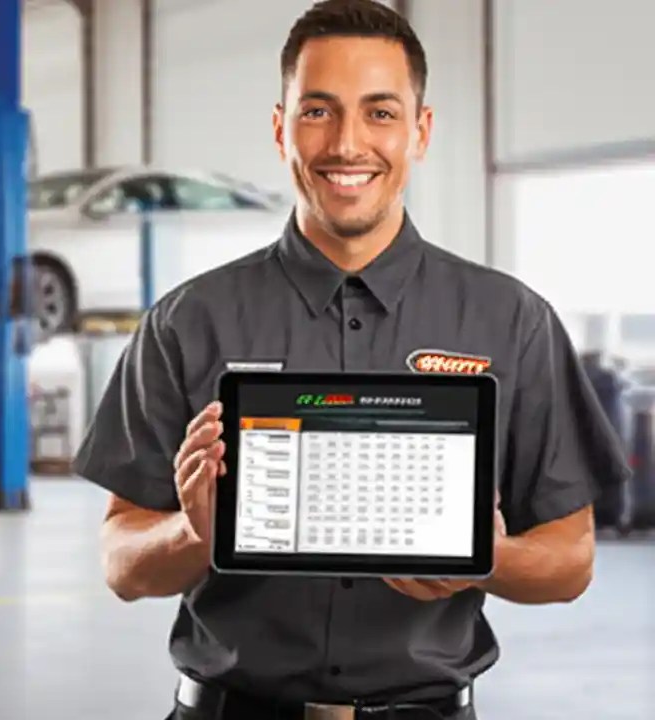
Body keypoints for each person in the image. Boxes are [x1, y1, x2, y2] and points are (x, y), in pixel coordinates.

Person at [71, 2, 632, 719]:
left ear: (420, 131)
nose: (347, 143)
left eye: (380, 112)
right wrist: (193, 533)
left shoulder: (510, 321)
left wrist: (481, 559)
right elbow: (121, 563)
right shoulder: (187, 321)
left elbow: (571, 559)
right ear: (280, 129)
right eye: (317, 111)